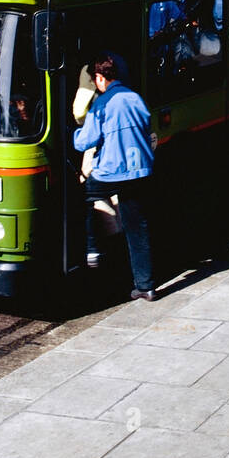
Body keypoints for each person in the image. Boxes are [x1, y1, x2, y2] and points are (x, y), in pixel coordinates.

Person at [73, 54, 156, 300]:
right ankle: (146, 286)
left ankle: (91, 249)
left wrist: (74, 134)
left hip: (111, 172)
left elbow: (84, 142)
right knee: (137, 227)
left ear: (99, 79)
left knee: (83, 197)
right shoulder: (136, 98)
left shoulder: (101, 105)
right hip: (140, 170)